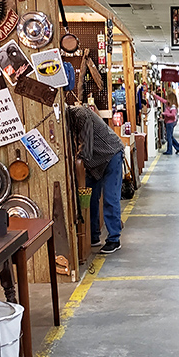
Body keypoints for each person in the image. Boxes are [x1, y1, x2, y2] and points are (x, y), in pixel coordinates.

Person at [68, 105, 125, 253]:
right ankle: (93, 236)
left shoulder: (81, 114)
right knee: (89, 196)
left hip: (111, 155)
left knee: (110, 197)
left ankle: (114, 239)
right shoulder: (70, 121)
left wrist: (75, 160)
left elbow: (86, 149)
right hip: (95, 161)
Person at [154, 90, 179, 155]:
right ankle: (178, 147)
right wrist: (154, 95)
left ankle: (170, 150)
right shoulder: (168, 104)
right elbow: (162, 100)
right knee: (170, 136)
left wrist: (165, 114)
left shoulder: (173, 106)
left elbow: (173, 115)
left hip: (170, 123)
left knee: (169, 137)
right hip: (169, 122)